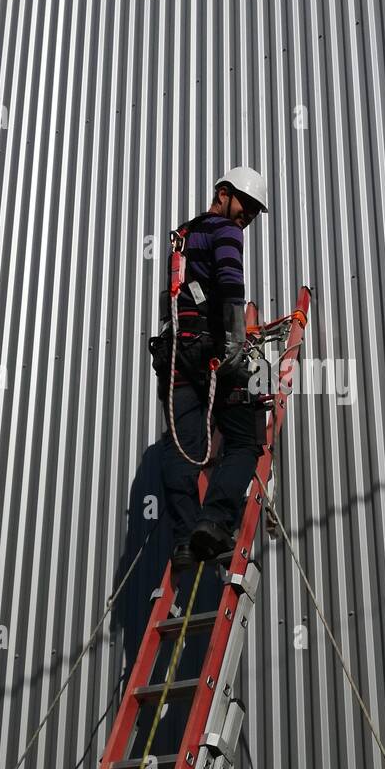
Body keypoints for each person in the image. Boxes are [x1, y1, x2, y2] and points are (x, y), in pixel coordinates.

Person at [149, 167, 268, 574]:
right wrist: (235, 345)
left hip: (175, 356)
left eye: (253, 212)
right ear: (223, 194)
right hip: (212, 353)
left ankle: (184, 540)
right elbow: (232, 285)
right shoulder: (224, 231)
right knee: (244, 441)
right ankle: (213, 523)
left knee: (181, 445)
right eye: (245, 206)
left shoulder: (181, 238)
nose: (246, 217)